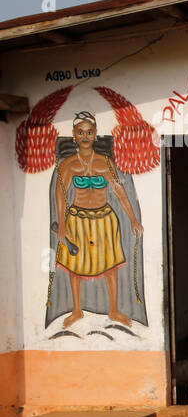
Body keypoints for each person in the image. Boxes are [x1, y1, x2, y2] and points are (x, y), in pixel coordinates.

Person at [53, 112, 143, 328]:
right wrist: (62, 223)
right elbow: (60, 193)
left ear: (95, 135)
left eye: (90, 132)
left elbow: (119, 191)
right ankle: (76, 310)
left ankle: (113, 310)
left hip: (105, 219)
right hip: (78, 220)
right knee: (76, 267)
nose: (85, 136)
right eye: (81, 132)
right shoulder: (68, 164)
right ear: (74, 135)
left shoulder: (104, 162)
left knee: (110, 265)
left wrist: (133, 219)